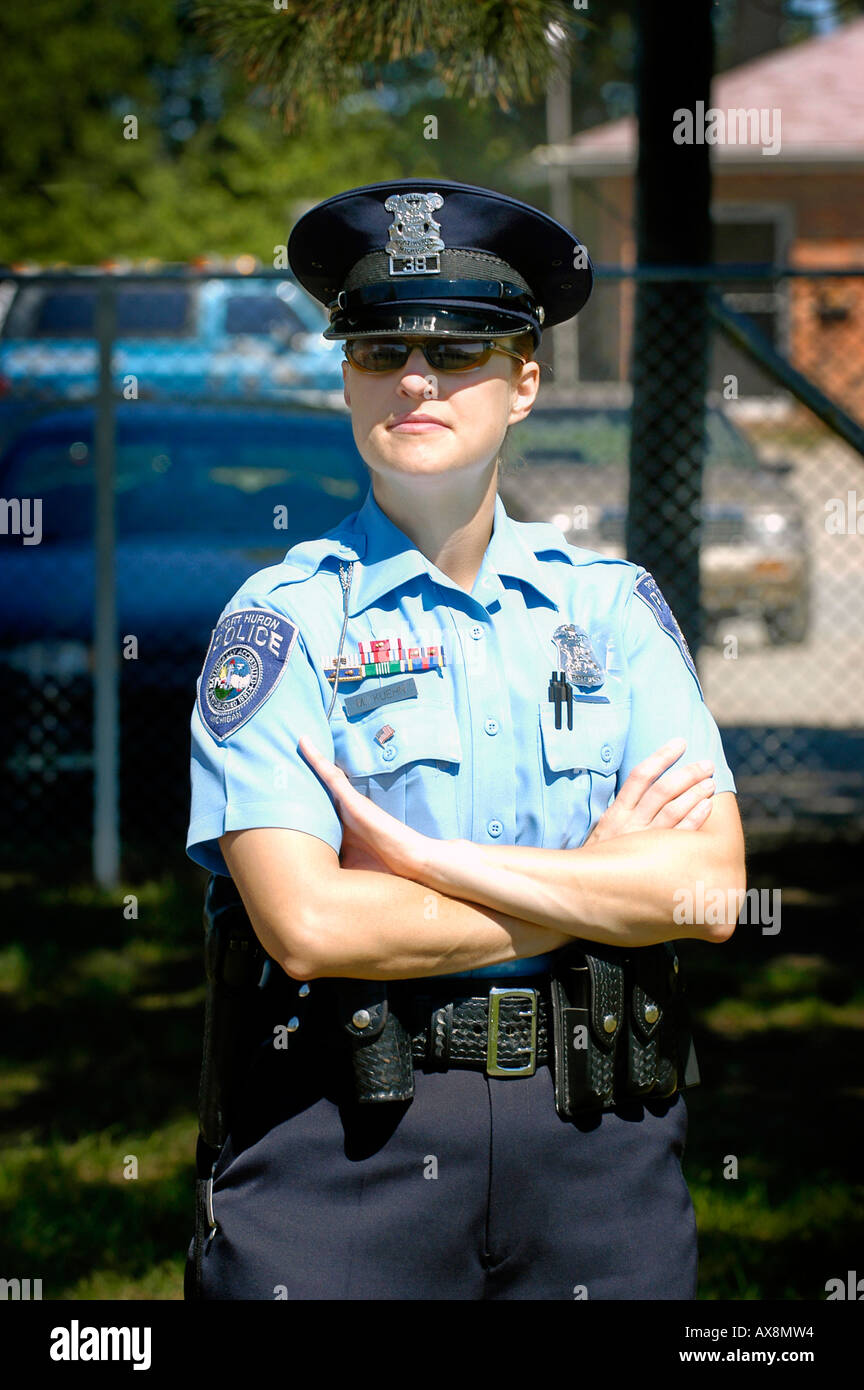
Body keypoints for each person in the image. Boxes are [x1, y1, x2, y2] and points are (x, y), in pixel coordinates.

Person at [184, 178, 746, 1301]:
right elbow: (306, 923)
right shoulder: (283, 620)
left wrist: (430, 865)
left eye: (461, 351)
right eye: (381, 349)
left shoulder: (614, 608)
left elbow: (708, 893)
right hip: (342, 1137)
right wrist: (595, 883)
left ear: (525, 379)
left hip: (599, 1136)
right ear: (348, 376)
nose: (417, 379)